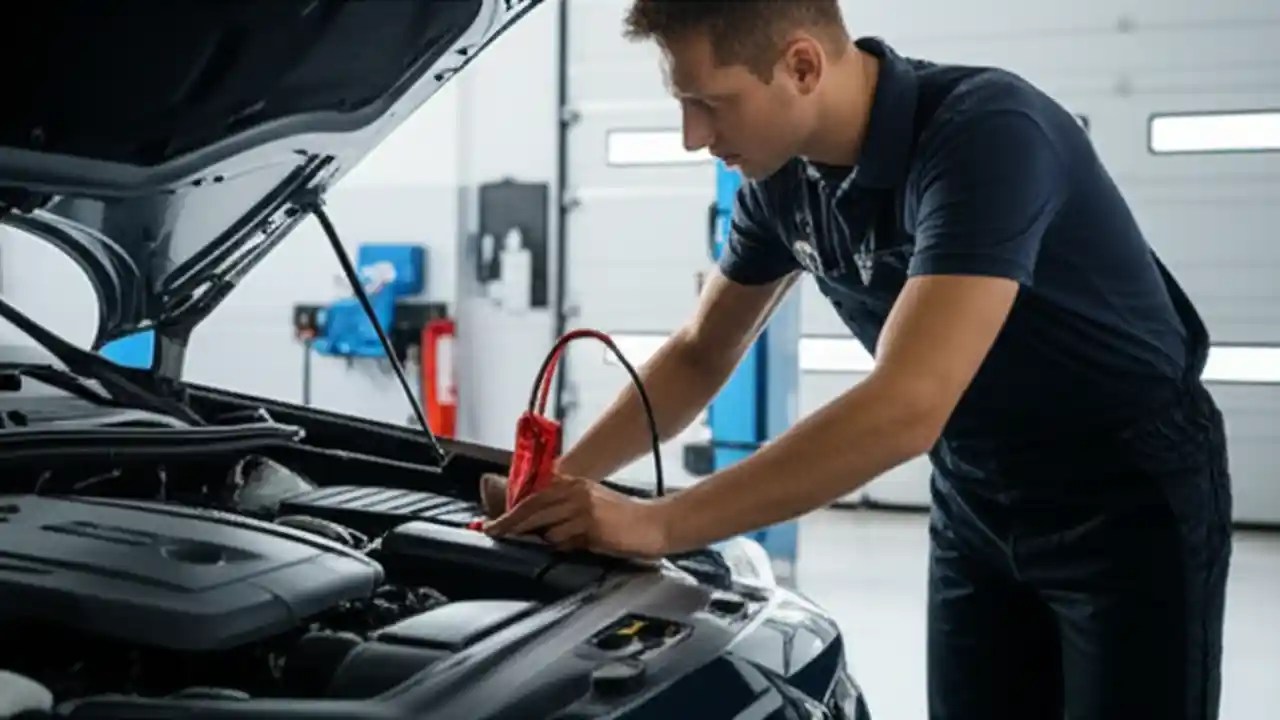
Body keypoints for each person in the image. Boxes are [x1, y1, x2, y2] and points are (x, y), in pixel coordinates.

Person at [482, 2, 1232, 718]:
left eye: (711, 102)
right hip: (975, 491)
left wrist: (658, 524)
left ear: (802, 66)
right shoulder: (780, 180)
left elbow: (907, 404)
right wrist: (555, 487)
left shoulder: (987, 134)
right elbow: (700, 351)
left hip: (1125, 495)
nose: (691, 135)